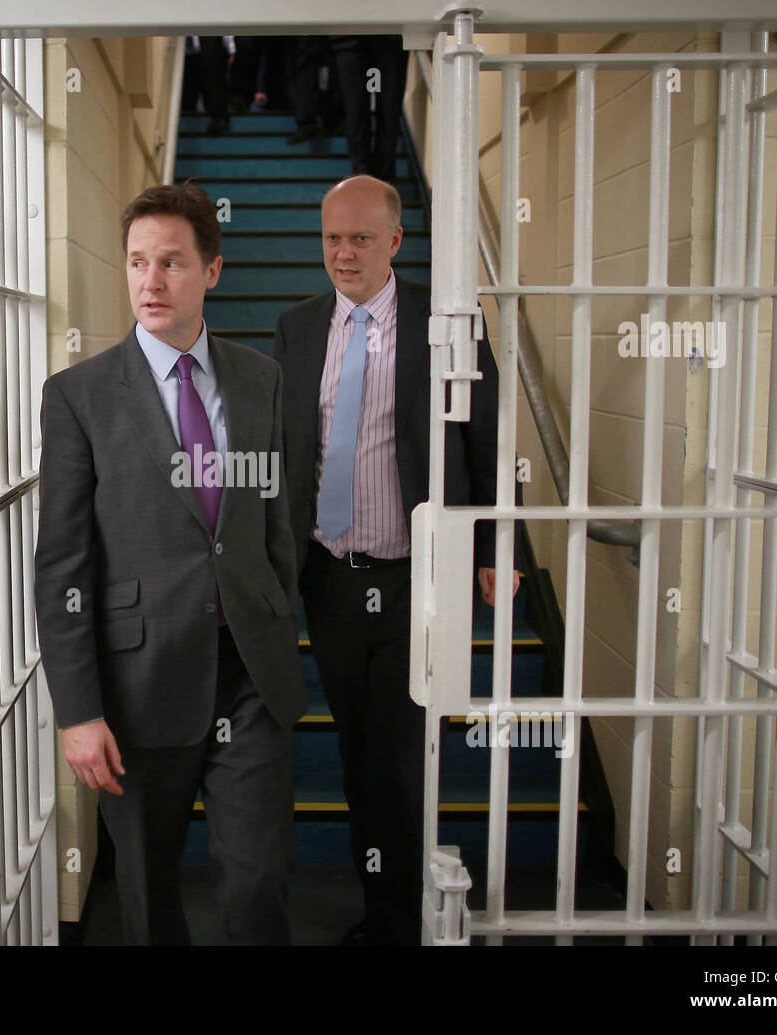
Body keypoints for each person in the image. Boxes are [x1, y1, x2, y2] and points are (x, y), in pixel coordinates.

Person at [34, 183, 306, 945]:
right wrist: (79, 711)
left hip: (246, 673)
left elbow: (271, 526)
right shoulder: (78, 397)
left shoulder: (260, 379)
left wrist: (278, 621)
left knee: (259, 879)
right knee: (148, 896)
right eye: (138, 262)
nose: (151, 282)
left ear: (212, 271)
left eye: (173, 263)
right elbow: (61, 566)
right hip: (136, 685)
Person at [272, 174, 518, 945]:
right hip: (331, 579)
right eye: (331, 239)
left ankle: (400, 920)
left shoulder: (446, 324)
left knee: (401, 762)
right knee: (356, 754)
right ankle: (381, 904)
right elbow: (287, 449)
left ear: (395, 242)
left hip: (418, 579)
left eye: (360, 239)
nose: (343, 254)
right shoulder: (298, 326)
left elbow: (488, 442)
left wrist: (492, 547)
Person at [330, 36, 409, 181]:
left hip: (386, 38)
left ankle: (379, 176)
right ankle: (363, 175)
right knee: (357, 112)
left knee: (387, 110)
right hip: (351, 38)